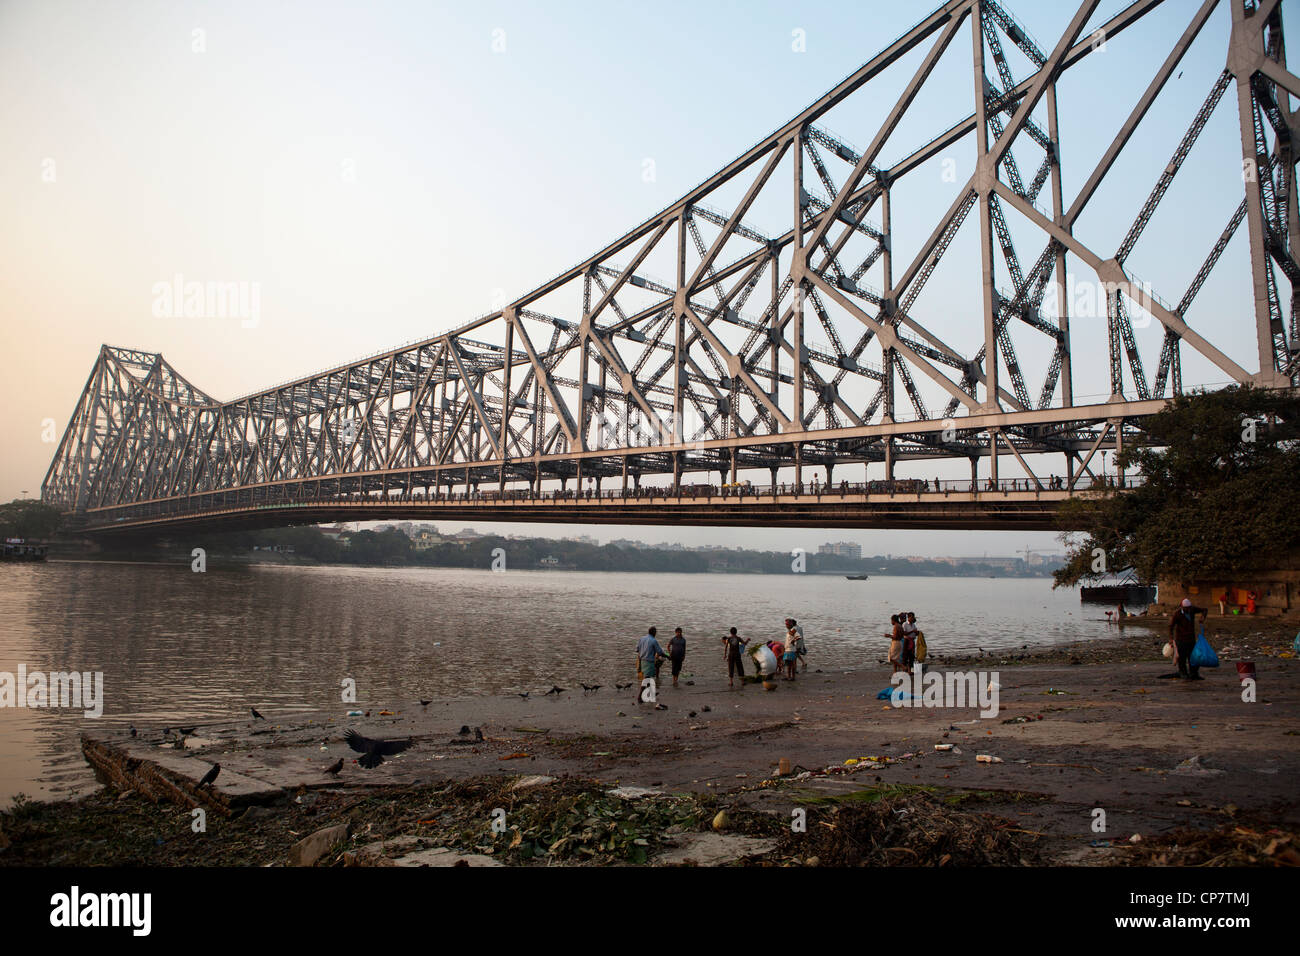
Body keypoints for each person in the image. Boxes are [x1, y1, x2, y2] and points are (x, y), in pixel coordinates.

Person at [1169, 598, 1208, 681]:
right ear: (1182, 607)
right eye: (1186, 608)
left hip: (1191, 639)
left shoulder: (1192, 610)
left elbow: (1205, 610)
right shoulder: (1177, 614)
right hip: (1181, 639)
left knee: (1193, 657)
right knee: (1182, 658)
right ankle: (1183, 673)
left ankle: (1193, 673)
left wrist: (1202, 617)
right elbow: (1171, 626)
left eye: (1189, 608)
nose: (1188, 610)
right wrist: (1171, 638)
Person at [636, 627, 665, 701]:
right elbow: (660, 652)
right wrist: (667, 656)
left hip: (642, 661)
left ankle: (651, 694)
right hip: (649, 661)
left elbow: (637, 649)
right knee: (647, 679)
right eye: (656, 632)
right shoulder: (653, 640)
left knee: (648, 678)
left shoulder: (642, 638)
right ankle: (640, 697)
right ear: (654, 633)